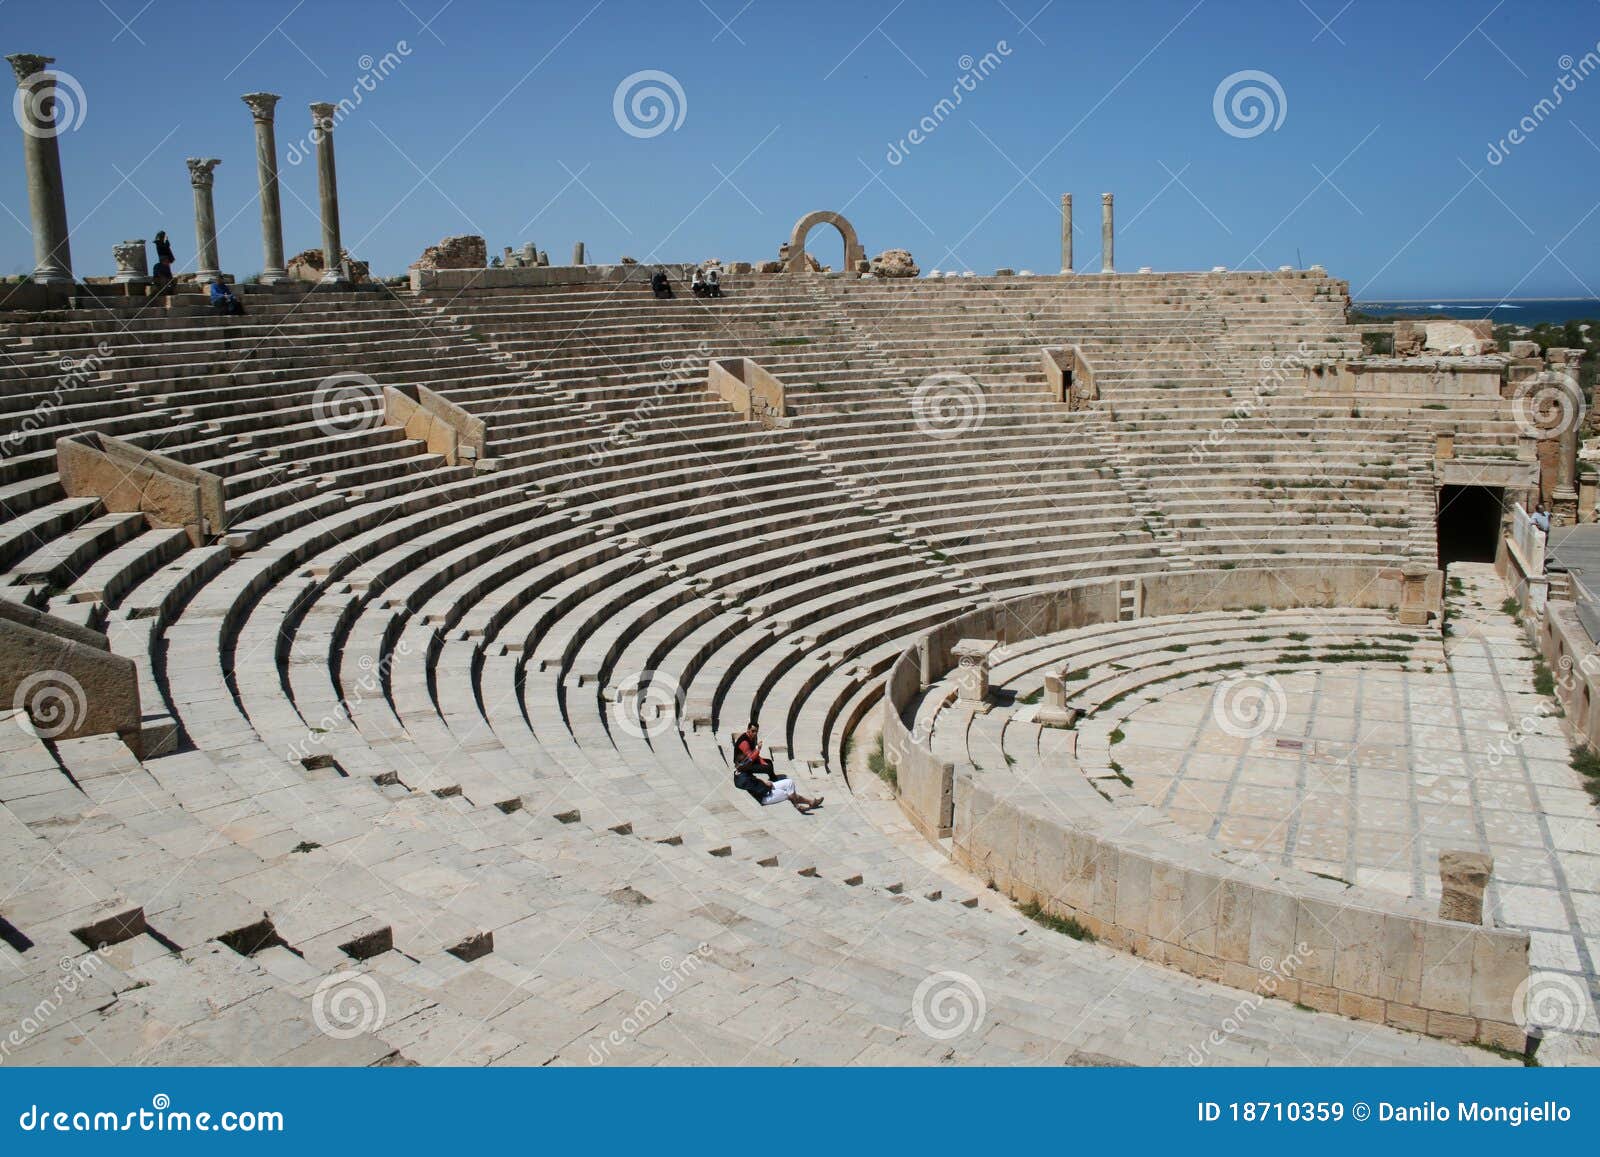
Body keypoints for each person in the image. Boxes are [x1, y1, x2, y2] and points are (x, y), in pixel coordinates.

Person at [732, 722, 822, 813]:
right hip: (765, 797)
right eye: (747, 762)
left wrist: (764, 782)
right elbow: (757, 789)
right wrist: (767, 786)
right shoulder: (741, 779)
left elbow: (754, 779)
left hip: (766, 789)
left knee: (789, 783)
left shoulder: (743, 770)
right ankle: (799, 805)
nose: (749, 763)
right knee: (788, 793)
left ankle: (810, 802)